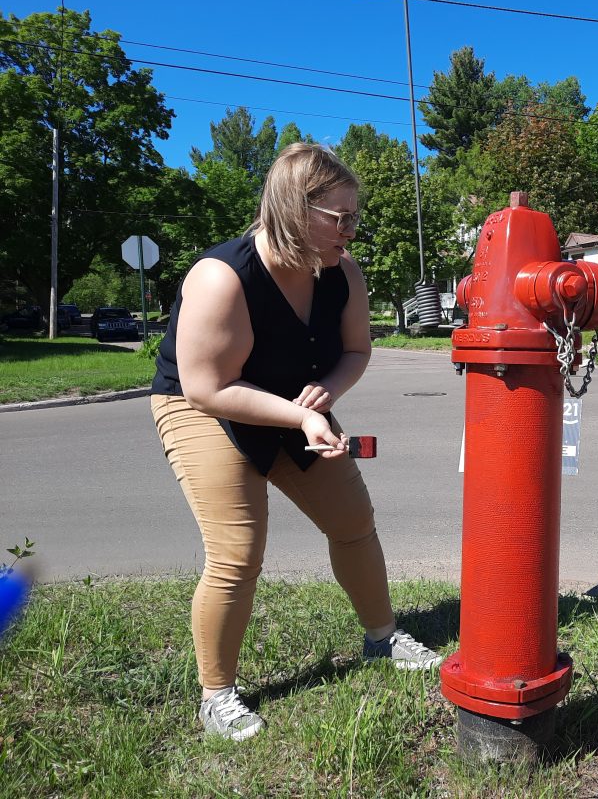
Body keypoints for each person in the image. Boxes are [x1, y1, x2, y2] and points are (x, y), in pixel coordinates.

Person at [151, 143, 441, 742]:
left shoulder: (343, 274)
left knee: (353, 520)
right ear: (293, 210)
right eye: (340, 218)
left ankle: (383, 638)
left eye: (354, 216)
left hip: (297, 410)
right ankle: (217, 695)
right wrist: (298, 415)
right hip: (205, 408)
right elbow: (207, 386)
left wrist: (324, 397)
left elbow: (357, 353)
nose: (351, 232)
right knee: (238, 550)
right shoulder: (221, 276)